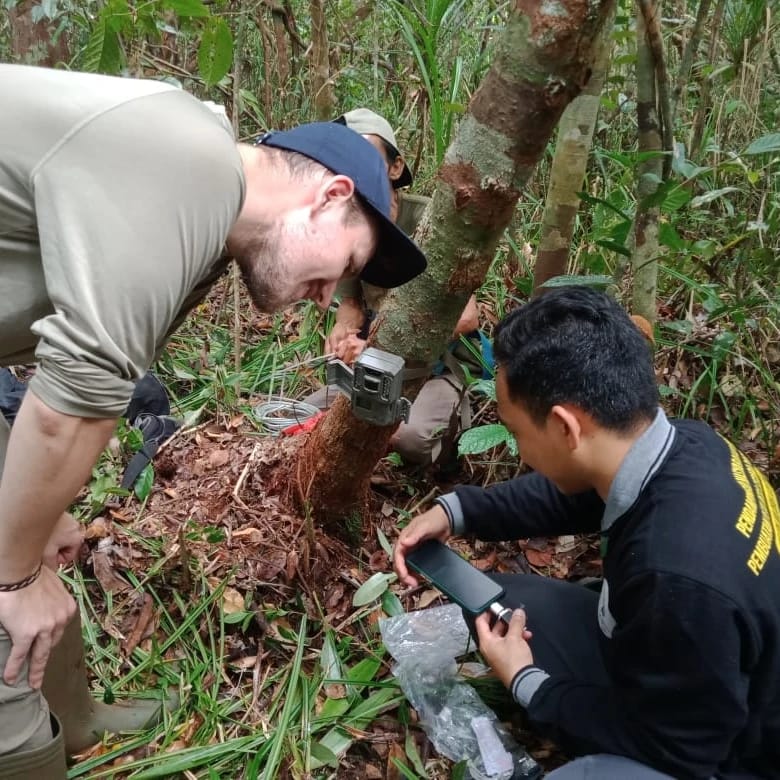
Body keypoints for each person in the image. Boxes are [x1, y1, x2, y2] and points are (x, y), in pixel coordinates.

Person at [0, 65, 426, 777]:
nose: (327, 297)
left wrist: (39, 519)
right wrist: (11, 577)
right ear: (331, 194)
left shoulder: (203, 211)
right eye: (344, 265)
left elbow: (74, 377)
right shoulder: (184, 166)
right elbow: (73, 398)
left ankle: (76, 721)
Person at [394, 286, 780, 779]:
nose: (519, 447)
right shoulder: (689, 444)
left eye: (516, 432)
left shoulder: (675, 577)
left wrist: (528, 683)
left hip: (729, 754)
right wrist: (456, 512)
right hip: (688, 669)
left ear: (564, 428)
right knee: (499, 607)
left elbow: (678, 750)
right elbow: (571, 492)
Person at [305, 108, 487, 465]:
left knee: (409, 439)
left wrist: (375, 348)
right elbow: (353, 300)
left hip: (438, 367)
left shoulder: (430, 224)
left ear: (395, 166)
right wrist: (344, 330)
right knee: (298, 415)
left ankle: (457, 420)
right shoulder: (351, 226)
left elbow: (467, 319)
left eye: (366, 156)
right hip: (378, 368)